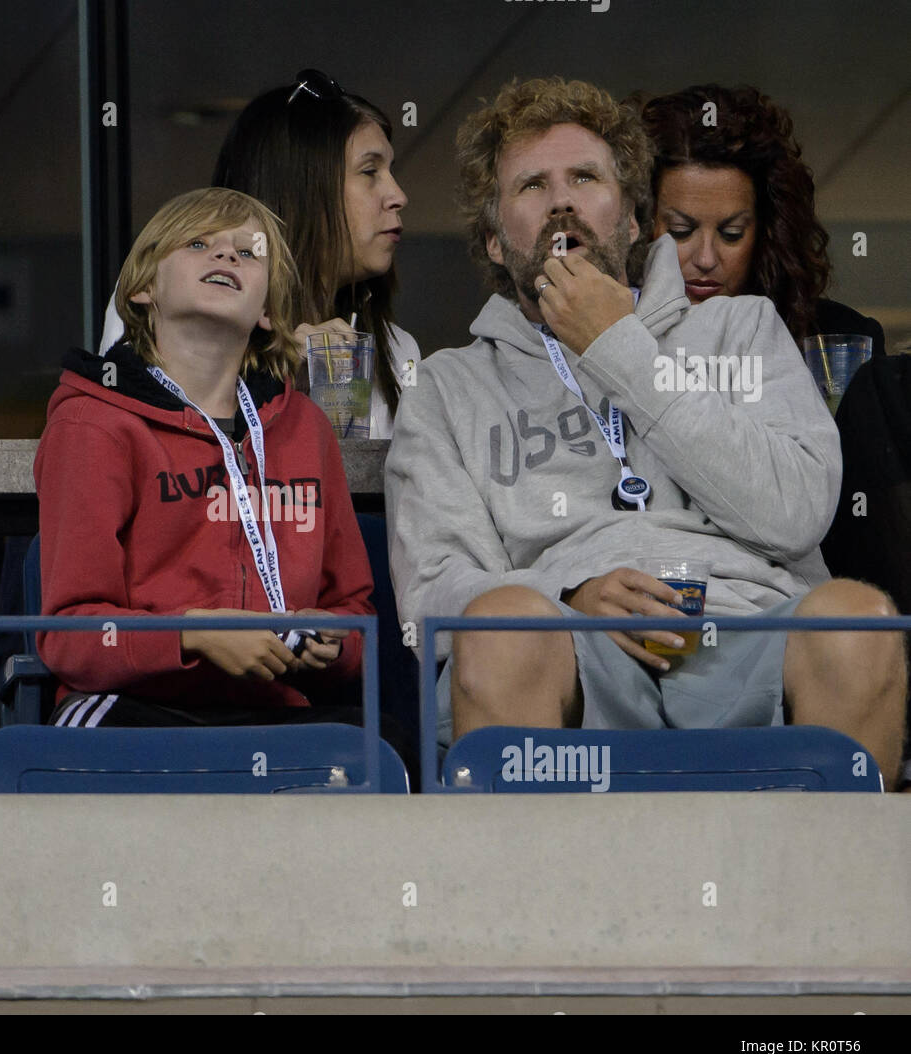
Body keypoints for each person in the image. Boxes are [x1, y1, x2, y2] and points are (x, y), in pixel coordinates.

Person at [385, 77, 906, 789]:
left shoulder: (741, 326)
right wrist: (568, 593)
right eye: (532, 185)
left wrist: (620, 348)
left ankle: (830, 895)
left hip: (743, 629)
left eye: (586, 177)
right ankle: (516, 899)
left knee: (859, 619)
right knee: (504, 624)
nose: (562, 198)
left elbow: (796, 513)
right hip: (565, 648)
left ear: (632, 220)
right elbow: (433, 599)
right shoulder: (447, 388)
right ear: (495, 241)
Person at [35, 188, 409, 771]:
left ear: (265, 311)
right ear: (142, 290)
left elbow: (355, 614)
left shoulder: (304, 428)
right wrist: (194, 635)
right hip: (134, 706)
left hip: (273, 709)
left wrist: (330, 639)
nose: (227, 256)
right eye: (199, 243)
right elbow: (69, 636)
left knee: (389, 751)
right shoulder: (94, 422)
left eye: (249, 251)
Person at [101, 70, 419, 439]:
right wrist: (271, 380)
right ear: (301, 189)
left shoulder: (396, 350)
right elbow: (140, 445)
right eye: (369, 171)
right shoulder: (168, 296)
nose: (398, 195)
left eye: (390, 171)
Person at [641, 84, 885, 354]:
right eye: (681, 231)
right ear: (638, 226)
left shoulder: (839, 339)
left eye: (731, 233)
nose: (706, 259)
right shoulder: (603, 333)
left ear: (766, 232)